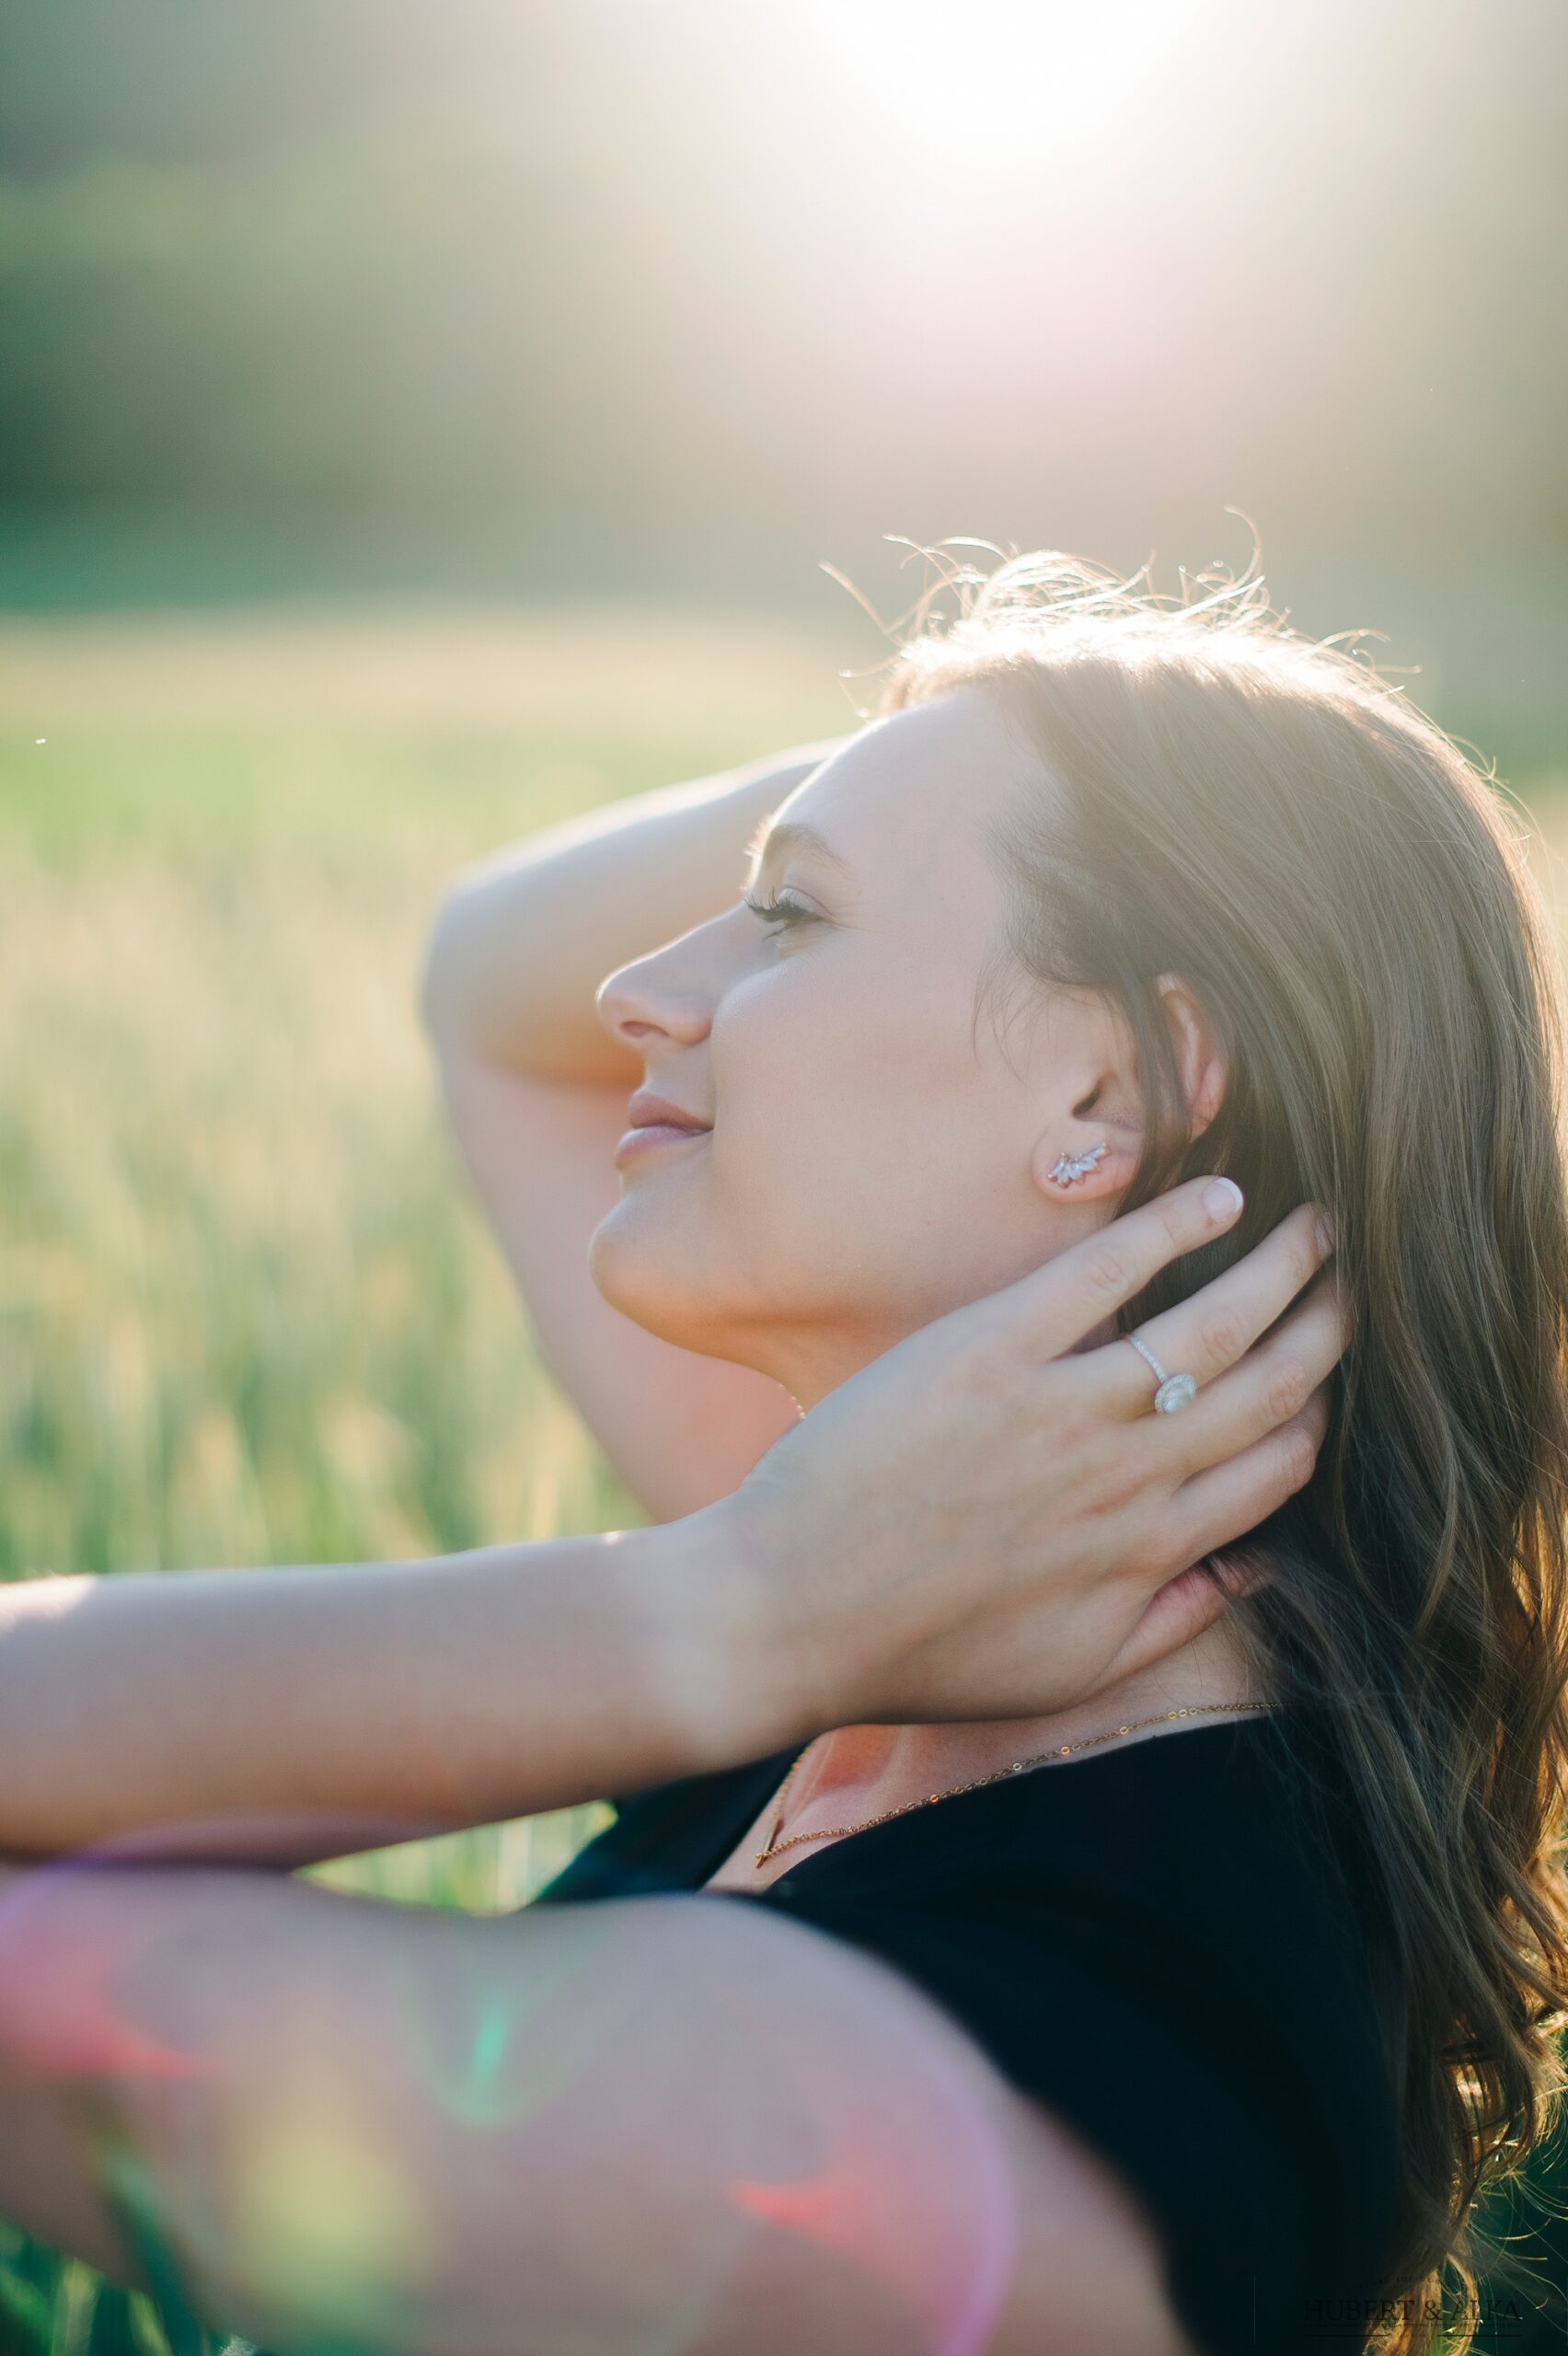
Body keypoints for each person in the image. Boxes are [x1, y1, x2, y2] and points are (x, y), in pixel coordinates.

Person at [0, 547, 1557, 2356]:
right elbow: (483, 977)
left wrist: (722, 1616)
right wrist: (1005, 725)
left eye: (789, 920)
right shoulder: (940, 1625)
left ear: (1112, 1087)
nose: (636, 992)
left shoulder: (921, 2124)